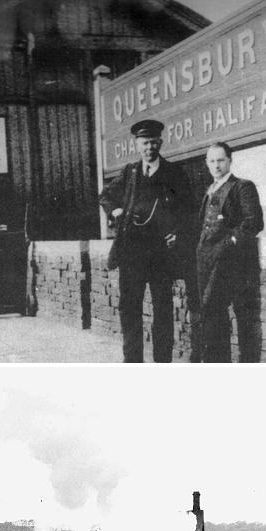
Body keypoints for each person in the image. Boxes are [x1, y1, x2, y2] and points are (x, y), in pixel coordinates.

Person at [98, 119, 197, 363]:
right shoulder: (130, 172)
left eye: (153, 142)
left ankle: (162, 362)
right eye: (144, 143)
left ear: (160, 143)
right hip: (131, 251)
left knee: (162, 309)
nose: (149, 147)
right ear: (137, 145)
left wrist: (179, 232)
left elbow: (189, 210)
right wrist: (115, 211)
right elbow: (106, 196)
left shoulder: (174, 173)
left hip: (161, 253)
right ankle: (133, 362)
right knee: (129, 308)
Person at [195, 141, 264, 363]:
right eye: (212, 161)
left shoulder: (242, 186)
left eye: (221, 160)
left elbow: (253, 222)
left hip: (234, 264)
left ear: (230, 161)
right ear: (207, 164)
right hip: (207, 263)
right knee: (212, 316)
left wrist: (228, 244)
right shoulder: (209, 191)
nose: (217, 165)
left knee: (244, 318)